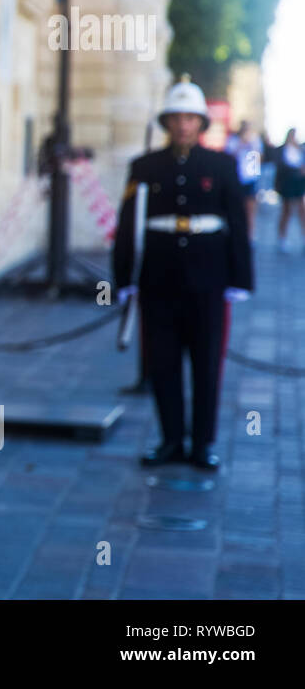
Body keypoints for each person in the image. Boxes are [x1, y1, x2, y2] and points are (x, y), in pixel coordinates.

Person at [112, 75, 253, 471]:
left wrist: (240, 279)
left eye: (191, 118)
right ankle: (171, 439)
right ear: (166, 122)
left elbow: (237, 224)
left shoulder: (222, 165)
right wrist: (123, 278)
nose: (183, 125)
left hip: (208, 276)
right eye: (176, 117)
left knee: (207, 362)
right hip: (159, 276)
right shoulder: (144, 166)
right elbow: (128, 226)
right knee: (163, 362)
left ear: (201, 123)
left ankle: (202, 443)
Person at [223, 120, 263, 243]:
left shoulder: (255, 140)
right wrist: (241, 144)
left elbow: (260, 158)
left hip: (250, 178)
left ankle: (250, 235)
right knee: (235, 208)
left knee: (250, 209)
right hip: (236, 177)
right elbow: (228, 157)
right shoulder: (233, 140)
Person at [272, 127, 305, 249]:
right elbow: (280, 166)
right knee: (287, 210)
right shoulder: (282, 150)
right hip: (287, 182)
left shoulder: (300, 150)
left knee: (302, 210)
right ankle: (282, 237)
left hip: (298, 182)